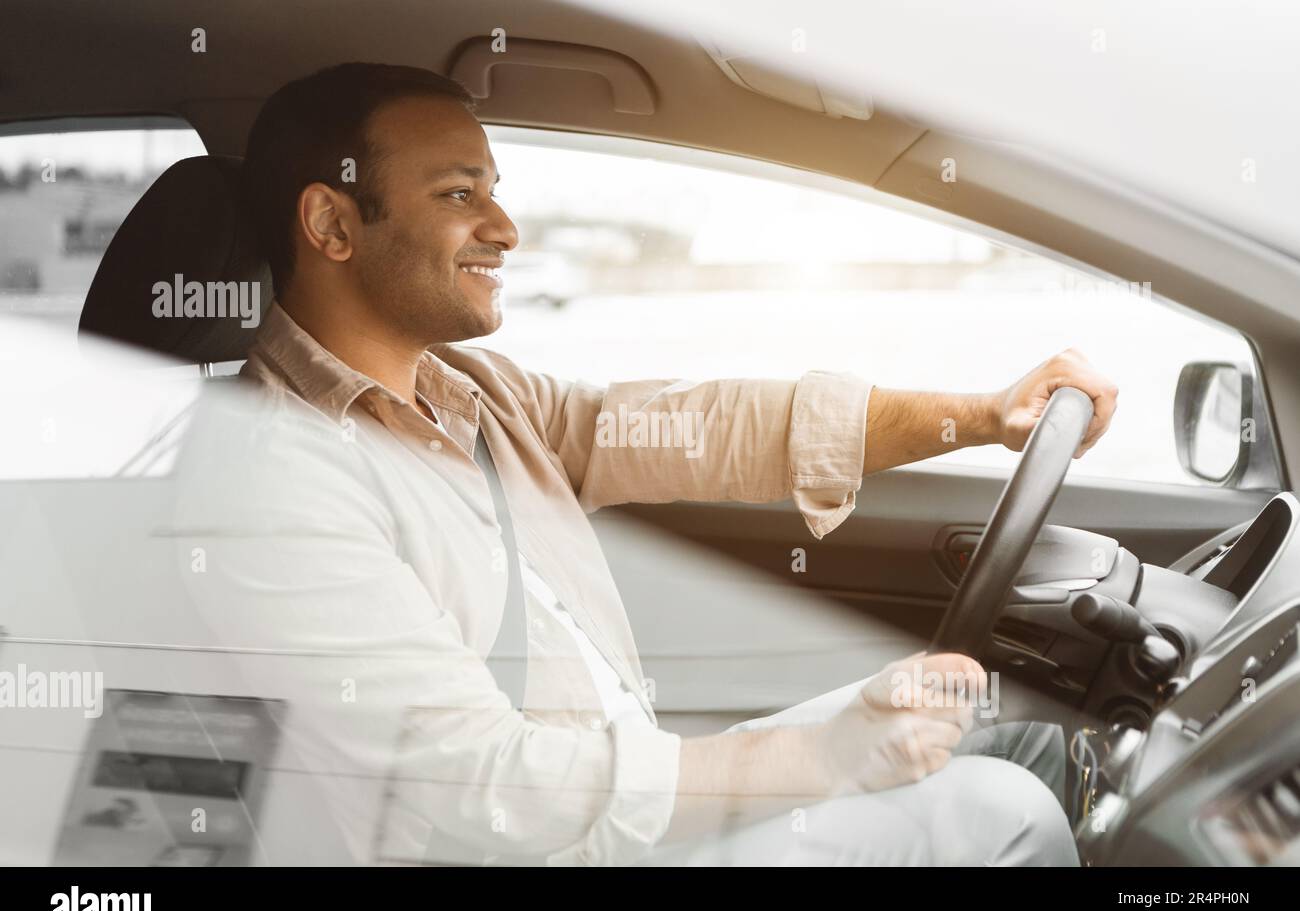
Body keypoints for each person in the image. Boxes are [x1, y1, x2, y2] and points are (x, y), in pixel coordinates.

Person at [176, 62, 1118, 865]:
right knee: (1005, 813)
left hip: (625, 798)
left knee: (988, 708)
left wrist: (984, 417)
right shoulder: (272, 476)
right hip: (541, 848)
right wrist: (823, 757)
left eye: (494, 190)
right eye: (460, 195)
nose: (506, 229)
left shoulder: (475, 392)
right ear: (333, 226)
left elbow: (699, 426)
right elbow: (475, 779)